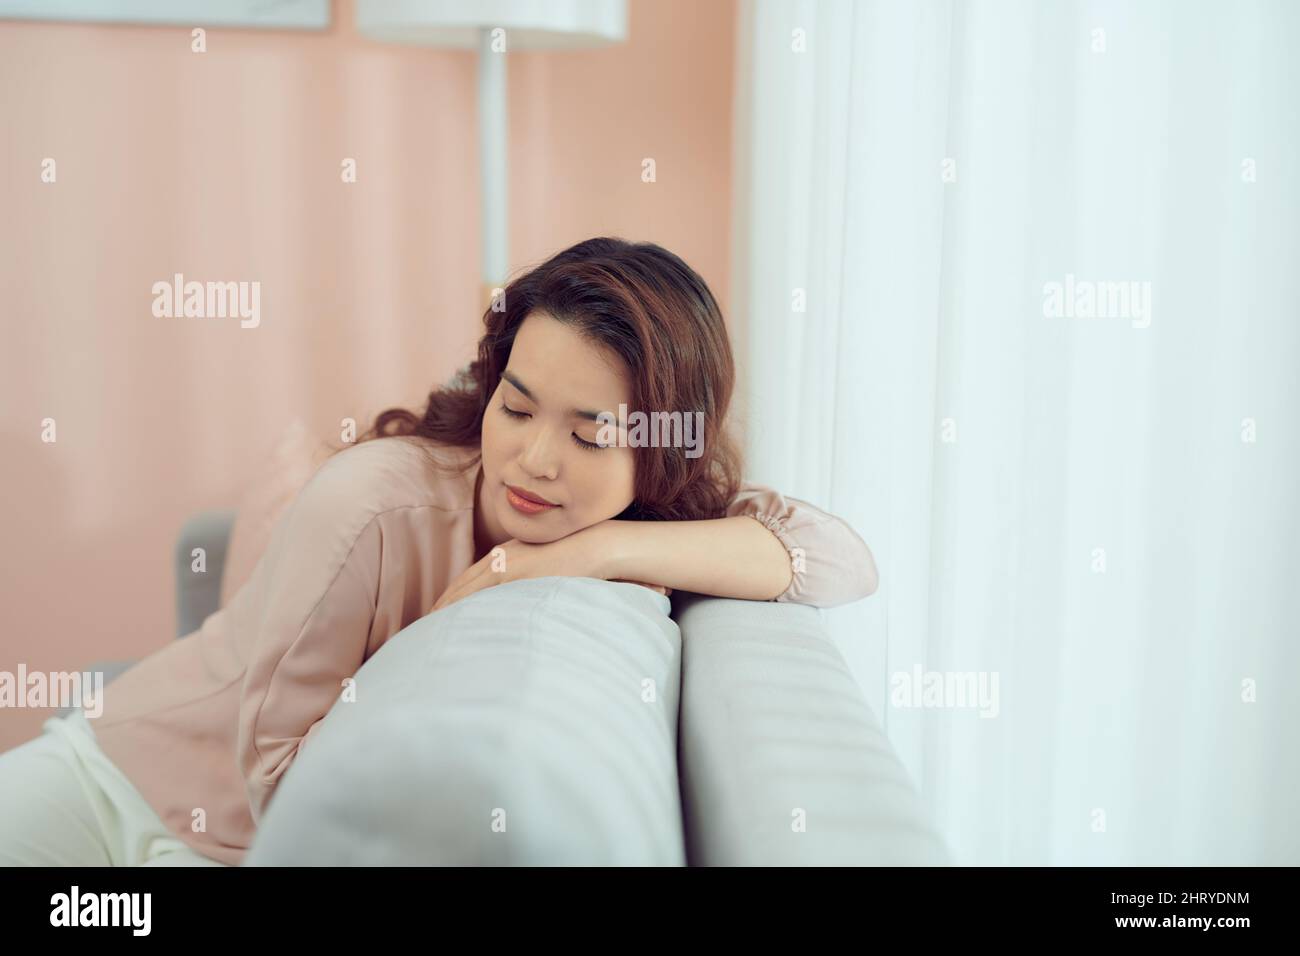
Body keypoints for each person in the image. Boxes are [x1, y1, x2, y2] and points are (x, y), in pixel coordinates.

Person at [0, 237, 879, 866]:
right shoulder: (373, 505)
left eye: (591, 432)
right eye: (518, 406)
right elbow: (268, 776)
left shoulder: (646, 519)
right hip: (113, 789)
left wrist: (592, 552)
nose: (535, 460)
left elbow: (840, 560)